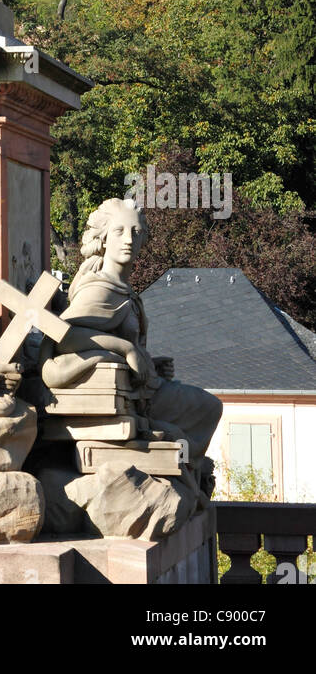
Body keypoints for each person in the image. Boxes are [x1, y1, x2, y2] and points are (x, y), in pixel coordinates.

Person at [42, 198, 222, 484]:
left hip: (140, 389)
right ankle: (183, 471)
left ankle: (183, 469)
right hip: (126, 397)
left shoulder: (122, 288)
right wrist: (126, 349)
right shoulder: (99, 289)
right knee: (208, 407)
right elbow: (65, 338)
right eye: (119, 231)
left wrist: (149, 361)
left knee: (205, 407)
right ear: (102, 238)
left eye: (136, 232)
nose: (128, 240)